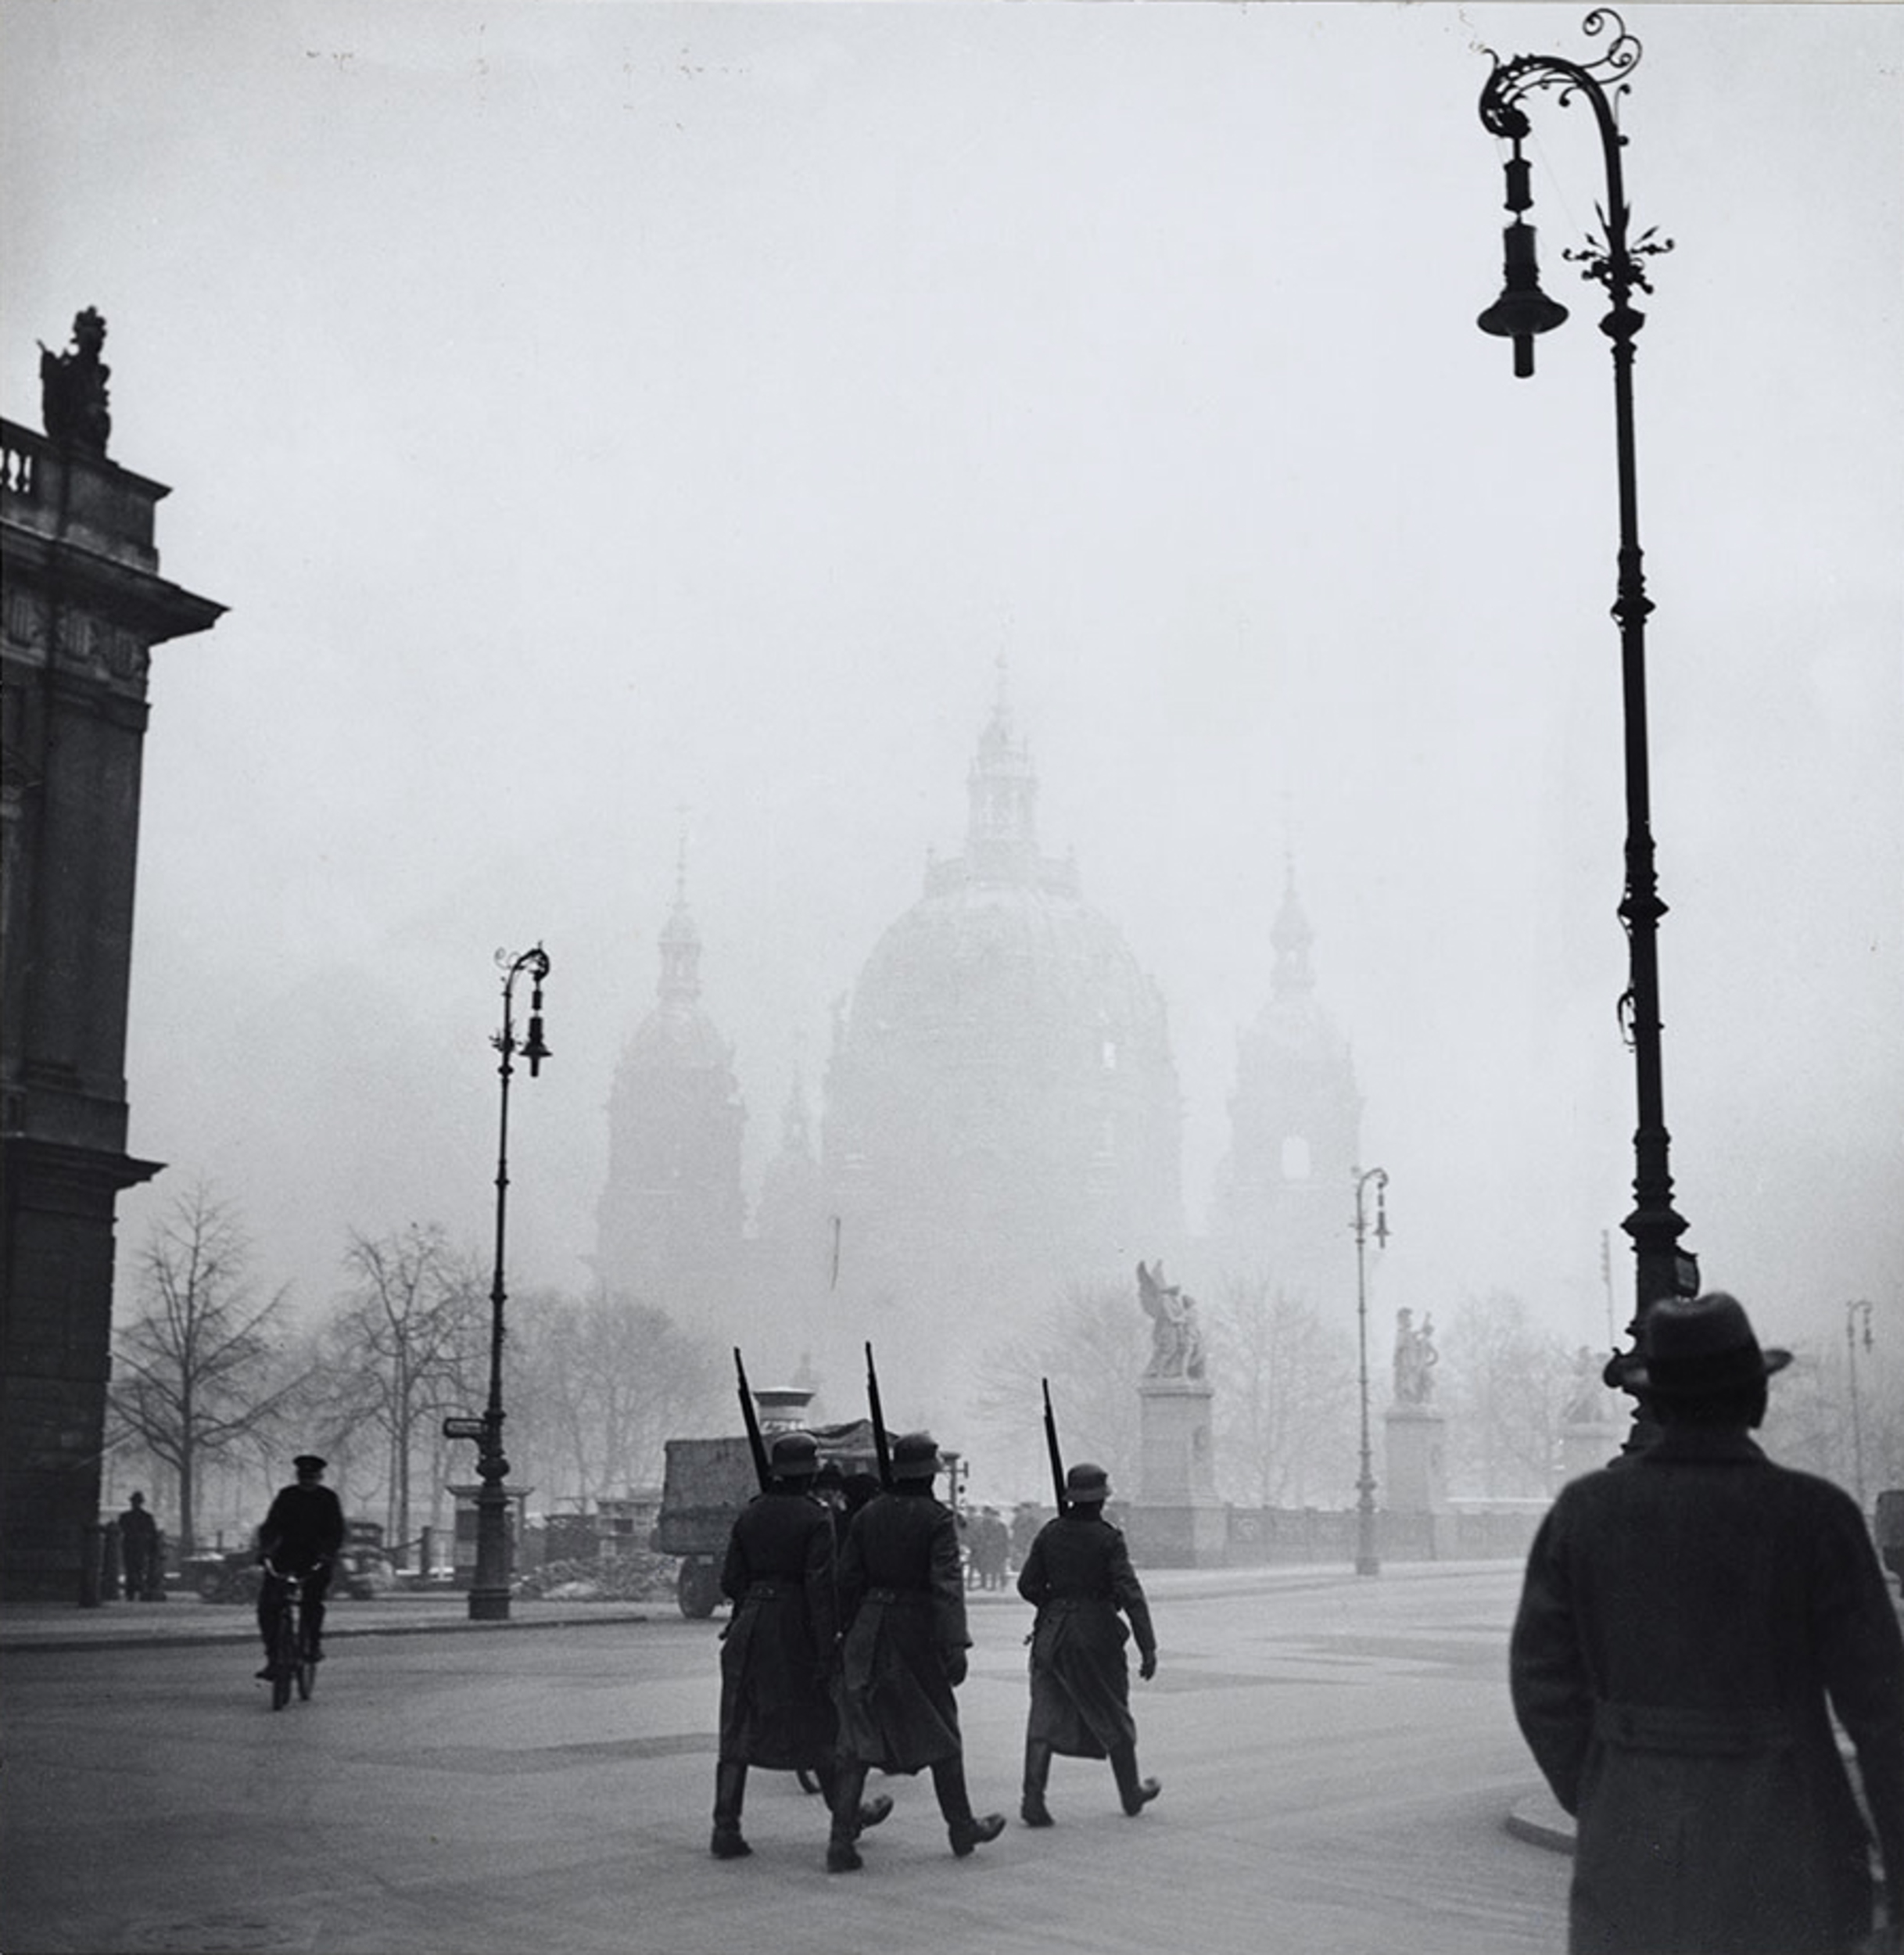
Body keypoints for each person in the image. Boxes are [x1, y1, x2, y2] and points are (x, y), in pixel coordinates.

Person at [1511, 1292, 1904, 1955]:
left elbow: (1541, 1685)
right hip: (1790, 1834)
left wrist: (1610, 1789)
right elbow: (1883, 1714)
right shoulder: (1813, 1516)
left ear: (1655, 1403)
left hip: (1632, 1841)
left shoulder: (1584, 1513)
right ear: (1755, 1399)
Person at [710, 1430, 892, 1860]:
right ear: (810, 1474)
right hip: (791, 1628)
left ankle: (725, 1828)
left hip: (748, 1625)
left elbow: (730, 1581)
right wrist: (828, 1649)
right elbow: (820, 1587)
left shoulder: (750, 1515)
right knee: (823, 1726)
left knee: (737, 1727)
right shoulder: (817, 1517)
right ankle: (846, 1821)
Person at [829, 1432, 1006, 1872]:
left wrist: (845, 1632)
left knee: (859, 1742)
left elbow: (847, 1579)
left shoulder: (868, 1515)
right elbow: (946, 1586)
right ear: (930, 1475)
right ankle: (961, 1827)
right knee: (942, 1733)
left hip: (869, 1631)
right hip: (914, 1633)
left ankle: (840, 1841)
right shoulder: (936, 1519)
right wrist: (955, 1644)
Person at [1015, 1462, 1160, 1825]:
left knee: (1044, 1717)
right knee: (1113, 1712)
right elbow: (1130, 1593)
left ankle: (1033, 1800)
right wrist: (1148, 1645)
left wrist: (1054, 1603)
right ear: (1100, 1501)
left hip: (1051, 1635)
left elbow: (1027, 1585)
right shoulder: (1109, 1539)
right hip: (1095, 1634)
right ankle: (1130, 1794)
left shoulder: (1050, 1533)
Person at [255, 1454, 345, 1681]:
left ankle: (312, 1645)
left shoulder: (328, 1499)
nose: (308, 1482)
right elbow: (271, 1525)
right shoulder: (287, 1497)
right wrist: (266, 1550)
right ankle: (274, 1657)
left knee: (312, 1603)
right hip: (285, 1557)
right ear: (298, 1477)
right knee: (268, 1606)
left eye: (312, 1478)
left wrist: (327, 1554)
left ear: (319, 1478)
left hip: (316, 1560)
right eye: (304, 1477)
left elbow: (336, 1532)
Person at [117, 1491, 160, 1601]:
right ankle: (139, 1589)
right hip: (140, 1546)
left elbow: (120, 1531)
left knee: (131, 1569)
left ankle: (131, 1591)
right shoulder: (147, 1517)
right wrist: (153, 1547)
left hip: (129, 1545)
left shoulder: (125, 1517)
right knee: (139, 1569)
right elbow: (153, 1533)